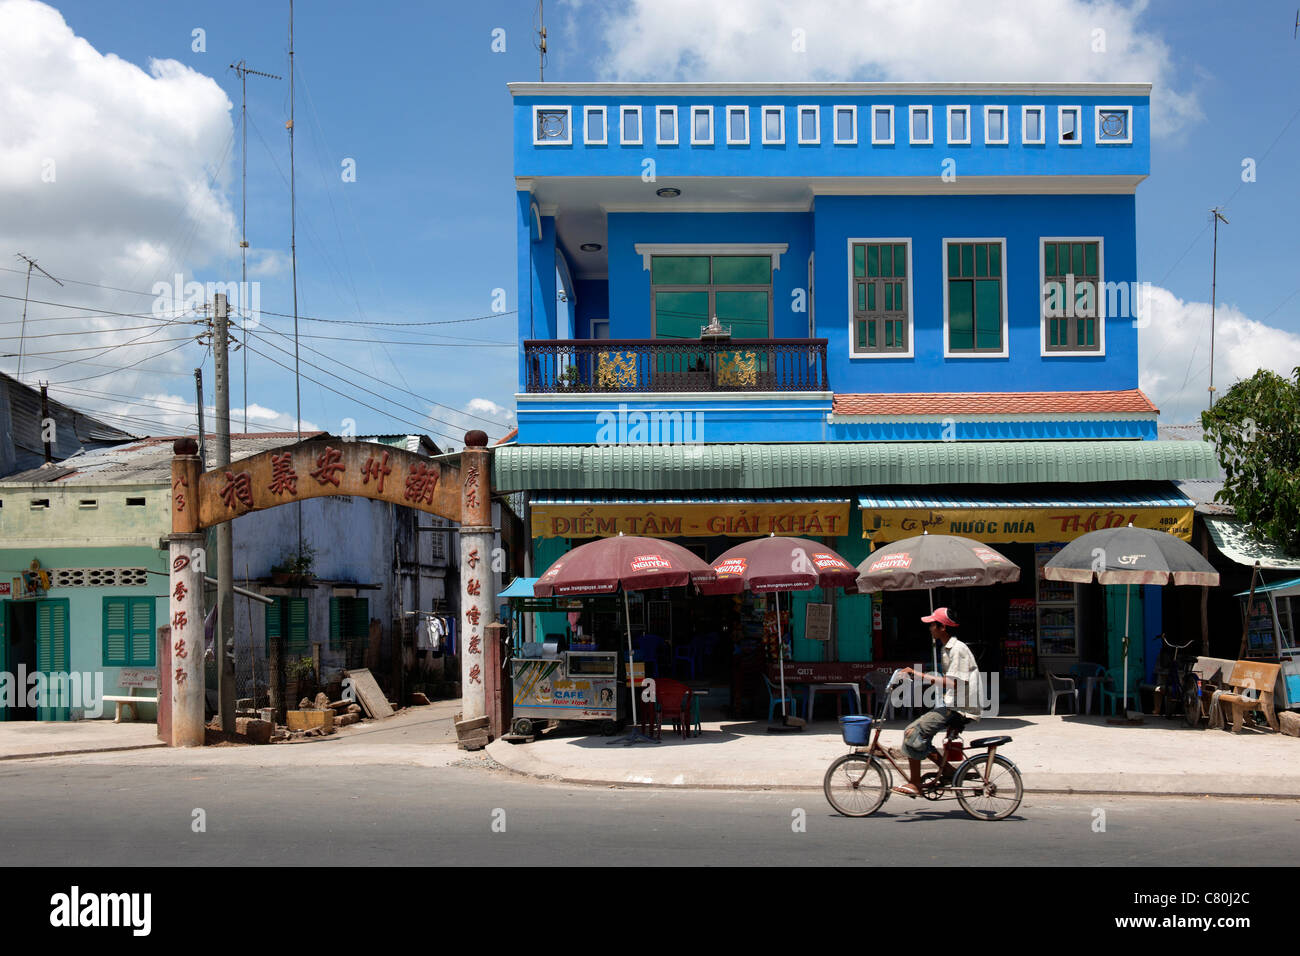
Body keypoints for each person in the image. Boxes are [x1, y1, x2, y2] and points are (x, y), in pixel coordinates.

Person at [892, 608, 981, 797]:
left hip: (960, 706)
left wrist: (919, 675)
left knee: (912, 732)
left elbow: (953, 682)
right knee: (920, 736)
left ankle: (915, 783)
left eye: (933, 625)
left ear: (942, 627)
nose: (930, 628)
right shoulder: (946, 648)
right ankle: (947, 770)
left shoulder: (957, 649)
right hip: (953, 703)